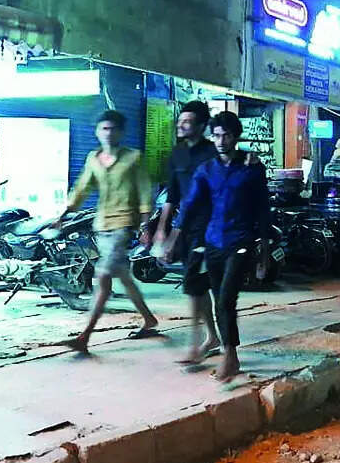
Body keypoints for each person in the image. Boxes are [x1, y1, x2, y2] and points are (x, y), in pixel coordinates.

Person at [164, 111, 270, 382]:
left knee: (226, 300)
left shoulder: (251, 168)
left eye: (226, 135)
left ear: (236, 137)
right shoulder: (206, 170)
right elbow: (189, 205)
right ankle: (227, 352)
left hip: (241, 241)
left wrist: (264, 250)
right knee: (217, 298)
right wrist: (173, 237)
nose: (221, 141)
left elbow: (262, 208)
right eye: (216, 136)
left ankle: (229, 355)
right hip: (213, 242)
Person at [61, 110, 159, 354]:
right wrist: (62, 216)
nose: (108, 133)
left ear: (121, 132)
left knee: (103, 276)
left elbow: (145, 193)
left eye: (113, 129)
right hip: (101, 225)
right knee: (124, 277)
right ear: (97, 132)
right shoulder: (93, 159)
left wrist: (145, 226)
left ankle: (85, 335)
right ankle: (149, 319)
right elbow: (81, 189)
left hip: (123, 225)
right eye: (104, 128)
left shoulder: (134, 158)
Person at [153, 100, 221, 365]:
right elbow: (172, 194)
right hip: (185, 227)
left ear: (202, 126)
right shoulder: (177, 154)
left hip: (210, 227)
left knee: (196, 283)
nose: (181, 125)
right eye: (180, 121)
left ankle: (195, 344)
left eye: (188, 122)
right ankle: (211, 338)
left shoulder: (213, 153)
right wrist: (162, 229)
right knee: (197, 285)